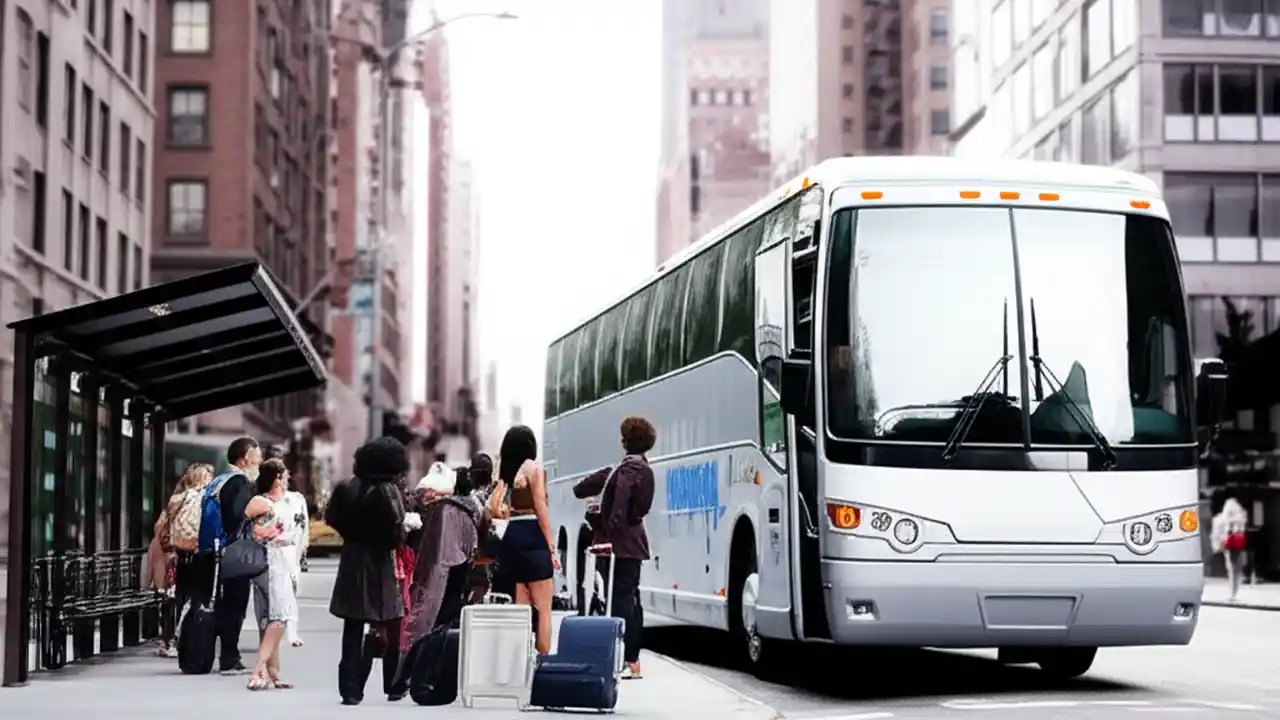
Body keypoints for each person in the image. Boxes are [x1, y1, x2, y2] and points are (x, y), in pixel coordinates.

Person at [326, 437, 409, 706]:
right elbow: (396, 535)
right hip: (378, 562)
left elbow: (333, 518)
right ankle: (393, 683)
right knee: (388, 621)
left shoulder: (349, 488)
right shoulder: (388, 491)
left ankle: (350, 689)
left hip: (352, 560)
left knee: (352, 625)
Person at [572, 416, 656, 680]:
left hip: (615, 545)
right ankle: (631, 659)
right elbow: (639, 508)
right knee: (630, 600)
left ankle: (625, 657)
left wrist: (604, 522)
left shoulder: (622, 470)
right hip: (632, 544)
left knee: (619, 600)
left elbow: (583, 490)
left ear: (625, 441)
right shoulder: (641, 470)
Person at [396, 462, 486, 693]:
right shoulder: (473, 507)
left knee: (427, 623)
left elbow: (436, 550)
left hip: (440, 573)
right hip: (462, 570)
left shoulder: (444, 510)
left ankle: (414, 674)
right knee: (448, 623)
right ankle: (440, 673)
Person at [487, 426, 559, 654]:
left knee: (521, 610)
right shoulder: (533, 469)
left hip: (512, 537)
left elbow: (492, 508)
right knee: (544, 609)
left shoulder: (507, 474)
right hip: (533, 537)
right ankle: (542, 662)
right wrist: (550, 543)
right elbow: (540, 507)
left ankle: (519, 663)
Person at [244, 459, 299, 690]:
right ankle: (258, 668)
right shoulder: (262, 501)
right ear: (276, 477)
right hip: (271, 561)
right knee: (279, 617)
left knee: (274, 617)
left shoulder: (288, 500)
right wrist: (269, 533)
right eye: (284, 474)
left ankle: (273, 673)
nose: (287, 478)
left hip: (284, 560)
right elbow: (250, 525)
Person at [210, 437, 263, 675]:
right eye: (256, 452)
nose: (260, 457)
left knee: (221, 603)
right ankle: (229, 657)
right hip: (233, 551)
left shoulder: (220, 480)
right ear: (244, 458)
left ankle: (217, 653)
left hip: (215, 549)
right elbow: (239, 514)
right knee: (235, 604)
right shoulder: (240, 482)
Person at [152, 463, 214, 657]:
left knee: (175, 597)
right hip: (196, 552)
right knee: (195, 597)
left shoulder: (177, 498)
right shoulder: (204, 498)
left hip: (176, 553)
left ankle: (168, 639)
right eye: (207, 477)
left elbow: (162, 525)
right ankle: (184, 637)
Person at [1211, 497, 1249, 602]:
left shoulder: (1225, 519)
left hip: (1230, 547)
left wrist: (1218, 545)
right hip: (1238, 547)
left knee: (1231, 570)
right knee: (1237, 569)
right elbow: (1242, 532)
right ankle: (1234, 591)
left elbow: (1222, 534)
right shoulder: (1240, 519)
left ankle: (1232, 593)